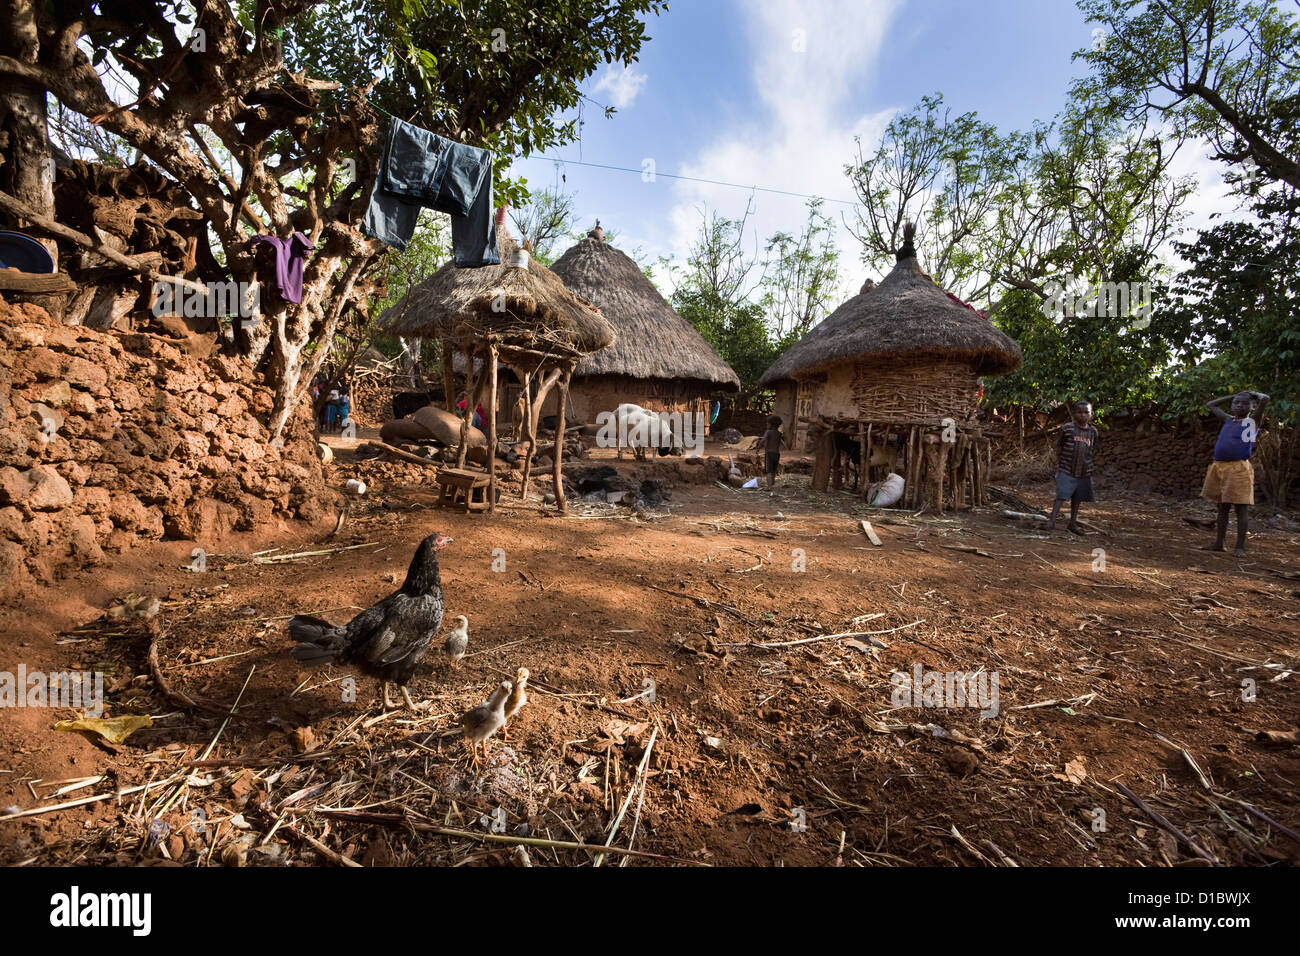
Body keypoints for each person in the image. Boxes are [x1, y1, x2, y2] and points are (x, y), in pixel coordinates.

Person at [1201, 390, 1269, 555]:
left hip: (1238, 468)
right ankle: (1219, 542)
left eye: (1244, 403)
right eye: (1236, 403)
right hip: (1220, 467)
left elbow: (1265, 399)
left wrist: (1253, 394)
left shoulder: (1252, 422)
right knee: (1222, 507)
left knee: (1241, 508)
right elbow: (1211, 404)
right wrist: (1233, 395)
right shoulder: (1228, 420)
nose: (1239, 405)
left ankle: (1239, 547)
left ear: (1252, 407)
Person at [1047, 401, 1098, 535]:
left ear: (1091, 414)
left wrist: (1090, 465)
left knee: (1078, 497)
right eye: (1080, 412)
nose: (1083, 415)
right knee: (1061, 495)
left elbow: (1092, 449)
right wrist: (1057, 463)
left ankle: (1072, 524)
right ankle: (1051, 522)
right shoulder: (1067, 428)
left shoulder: (1093, 432)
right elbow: (1059, 446)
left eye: (1086, 412)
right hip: (1066, 468)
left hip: (1084, 470)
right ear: (1074, 414)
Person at [761, 415, 784, 492]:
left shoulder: (768, 432)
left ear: (771, 424)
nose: (766, 425)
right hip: (777, 454)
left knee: (768, 471)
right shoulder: (779, 434)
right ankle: (772, 484)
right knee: (773, 470)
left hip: (769, 453)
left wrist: (758, 447)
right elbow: (781, 442)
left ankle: (769, 487)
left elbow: (763, 440)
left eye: (767, 424)